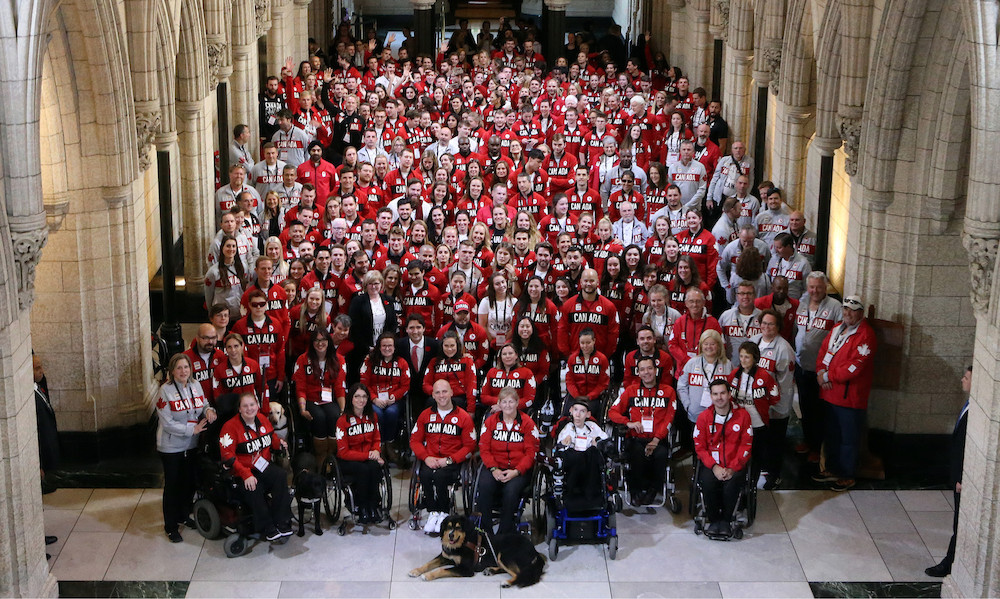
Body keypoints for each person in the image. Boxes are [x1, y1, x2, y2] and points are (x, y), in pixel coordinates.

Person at [811, 295, 878, 492]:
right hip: (829, 394)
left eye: (852, 310)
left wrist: (828, 376)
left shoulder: (866, 336)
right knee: (832, 435)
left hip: (849, 398)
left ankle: (847, 475)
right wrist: (820, 373)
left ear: (861, 313)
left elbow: (854, 368)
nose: (847, 313)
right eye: (845, 309)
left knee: (848, 439)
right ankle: (831, 469)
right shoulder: (837, 328)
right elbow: (823, 351)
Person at [156, 354, 216, 542]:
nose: (183, 371)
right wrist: (193, 429)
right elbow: (167, 423)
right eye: (179, 368)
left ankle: (183, 515)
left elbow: (203, 403)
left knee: (188, 482)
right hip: (171, 446)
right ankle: (171, 526)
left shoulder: (195, 385)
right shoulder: (164, 391)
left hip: (191, 445)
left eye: (186, 367)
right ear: (172, 371)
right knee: (173, 486)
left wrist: (208, 410)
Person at [218, 392, 293, 541]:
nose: (249, 408)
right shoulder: (230, 427)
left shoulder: (262, 419)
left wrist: (279, 444)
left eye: (252, 405)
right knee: (255, 487)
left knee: (280, 475)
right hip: (241, 471)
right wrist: (245, 474)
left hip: (262, 465)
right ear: (239, 409)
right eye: (245, 406)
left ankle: (282, 520)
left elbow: (271, 438)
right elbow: (227, 455)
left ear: (257, 406)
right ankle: (267, 526)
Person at [608, 356, 678, 506]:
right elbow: (612, 412)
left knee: (660, 455)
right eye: (642, 369)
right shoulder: (631, 390)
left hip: (658, 439)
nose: (646, 372)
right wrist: (629, 423)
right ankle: (636, 491)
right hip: (636, 438)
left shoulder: (668, 391)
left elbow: (669, 419)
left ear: (656, 370)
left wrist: (657, 439)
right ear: (638, 373)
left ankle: (653, 490)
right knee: (635, 454)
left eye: (649, 368)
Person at [409, 380, 477, 534]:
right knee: (425, 474)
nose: (441, 395)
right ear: (432, 395)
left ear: (452, 393)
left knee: (440, 476)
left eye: (444, 391)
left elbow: (469, 446)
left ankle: (444, 513)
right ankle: (433, 512)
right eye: (437, 392)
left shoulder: (464, 417)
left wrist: (449, 460)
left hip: (452, 460)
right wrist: (426, 457)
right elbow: (415, 440)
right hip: (430, 458)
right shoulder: (425, 415)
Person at [926, 366, 972, 577]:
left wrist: (962, 478)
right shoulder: (969, 405)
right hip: (958, 475)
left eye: (966, 377)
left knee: (961, 524)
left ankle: (950, 564)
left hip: (964, 479)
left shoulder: (977, 412)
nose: (962, 380)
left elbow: (969, 448)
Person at [693, 380, 753, 537]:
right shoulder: (704, 417)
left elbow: (746, 446)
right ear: (711, 396)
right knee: (707, 481)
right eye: (715, 394)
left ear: (729, 394)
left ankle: (726, 520)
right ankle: (713, 520)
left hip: (735, 464)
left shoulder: (743, 416)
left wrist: (733, 468)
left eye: (722, 393)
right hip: (712, 465)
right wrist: (714, 467)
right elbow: (700, 447)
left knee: (731, 483)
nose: (719, 397)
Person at [475, 388, 539, 534]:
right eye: (504, 402)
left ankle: (505, 531)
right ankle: (485, 530)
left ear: (517, 403)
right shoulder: (490, 422)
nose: (508, 405)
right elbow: (484, 448)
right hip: (495, 467)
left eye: (511, 401)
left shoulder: (528, 423)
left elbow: (531, 453)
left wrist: (516, 471)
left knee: (511, 491)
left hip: (518, 469)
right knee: (484, 486)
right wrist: (493, 469)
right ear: (499, 404)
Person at [793, 271, 841, 461]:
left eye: (819, 287)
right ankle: (807, 439)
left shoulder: (835, 307)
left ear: (825, 287)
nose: (815, 290)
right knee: (804, 407)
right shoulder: (803, 304)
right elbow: (798, 330)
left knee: (818, 410)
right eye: (812, 287)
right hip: (801, 365)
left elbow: (838, 338)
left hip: (820, 370)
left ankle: (817, 446)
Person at [750, 309, 796, 490]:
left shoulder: (784, 349)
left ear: (778, 327)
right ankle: (762, 468)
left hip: (775, 408)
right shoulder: (754, 341)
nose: (766, 327)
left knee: (775, 442)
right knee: (761, 440)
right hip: (755, 405)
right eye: (764, 323)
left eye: (771, 324)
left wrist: (778, 408)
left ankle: (775, 475)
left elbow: (785, 385)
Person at [293, 329, 348, 466]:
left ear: (328, 342)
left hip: (330, 399)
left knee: (334, 415)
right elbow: (300, 387)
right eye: (316, 340)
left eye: (323, 340)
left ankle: (331, 456)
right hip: (310, 399)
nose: (320, 343)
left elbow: (340, 387)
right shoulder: (302, 360)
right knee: (319, 417)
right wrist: (302, 409)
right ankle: (321, 456)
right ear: (312, 343)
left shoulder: (338, 360)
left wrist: (342, 410)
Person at [335, 383, 385, 524]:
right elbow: (343, 452)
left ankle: (373, 505)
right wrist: (368, 455)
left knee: (374, 468)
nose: (361, 400)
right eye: (357, 396)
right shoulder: (342, 421)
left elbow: (376, 438)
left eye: (364, 396)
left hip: (369, 456)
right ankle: (362, 507)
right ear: (351, 399)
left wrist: (376, 451)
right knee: (363, 469)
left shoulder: (372, 416)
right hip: (348, 460)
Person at [359, 333, 410, 449]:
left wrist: (394, 397)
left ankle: (390, 443)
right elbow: (364, 384)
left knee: (391, 413)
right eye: (384, 346)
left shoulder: (402, 363)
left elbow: (405, 385)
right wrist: (373, 398)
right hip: (373, 399)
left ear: (394, 347)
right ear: (379, 347)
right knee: (378, 414)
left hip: (394, 400)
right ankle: (379, 445)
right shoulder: (369, 361)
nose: (387, 348)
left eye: (390, 346)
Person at [677, 329, 732, 425]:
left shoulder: (727, 364)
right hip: (695, 415)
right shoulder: (692, 363)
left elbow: (732, 388)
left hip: (720, 416)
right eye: (706, 344)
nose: (709, 347)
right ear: (701, 345)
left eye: (712, 344)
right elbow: (681, 386)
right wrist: (688, 406)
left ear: (719, 346)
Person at [424, 330, 478, 412]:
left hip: (458, 399)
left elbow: (471, 386)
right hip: (438, 399)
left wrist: (471, 410)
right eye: (446, 346)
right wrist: (438, 393)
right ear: (442, 346)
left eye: (452, 345)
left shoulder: (467, 361)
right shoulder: (434, 362)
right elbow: (426, 384)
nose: (449, 349)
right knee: (430, 402)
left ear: (457, 345)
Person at [563, 328, 611, 417]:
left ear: (594, 341)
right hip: (575, 396)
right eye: (582, 343)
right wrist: (577, 396)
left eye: (588, 343)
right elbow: (569, 381)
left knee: (589, 416)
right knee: (567, 416)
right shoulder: (572, 359)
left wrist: (590, 396)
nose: (585, 346)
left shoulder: (602, 359)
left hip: (594, 398)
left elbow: (603, 383)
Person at [33, 355, 60, 496]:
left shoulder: (38, 387)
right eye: (37, 368)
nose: (41, 371)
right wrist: (39, 466)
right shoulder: (31, 398)